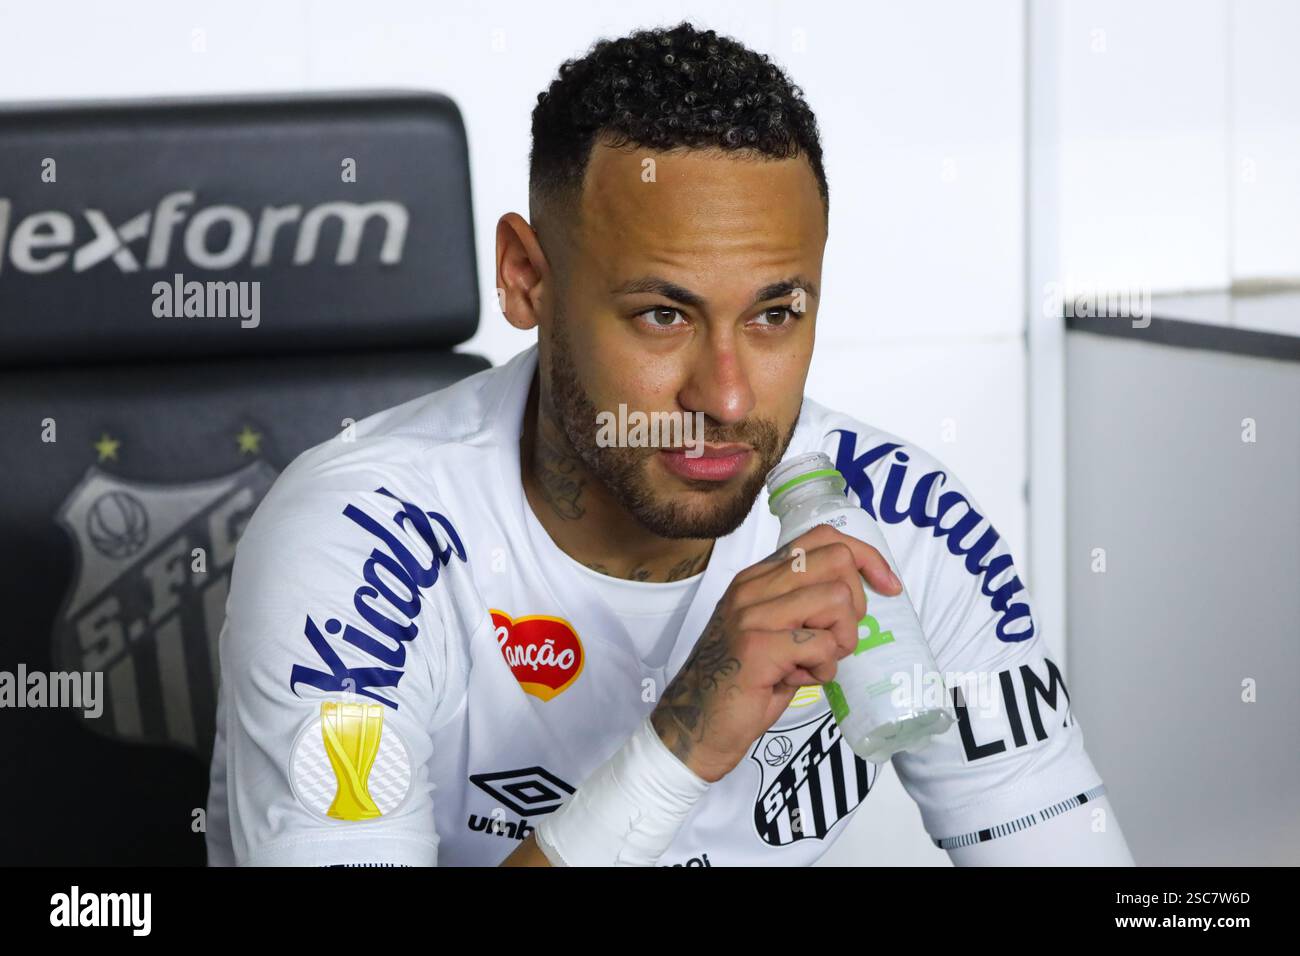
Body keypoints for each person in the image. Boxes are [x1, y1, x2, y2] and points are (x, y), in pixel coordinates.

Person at [206, 21, 1134, 867]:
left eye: (775, 313)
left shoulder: (908, 532)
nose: (726, 398)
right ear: (528, 279)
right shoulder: (356, 544)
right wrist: (680, 745)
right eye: (661, 315)